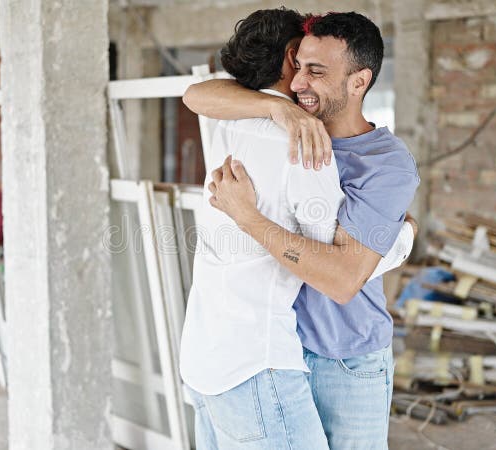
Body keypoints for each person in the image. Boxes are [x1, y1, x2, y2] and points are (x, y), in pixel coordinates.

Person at [178, 8, 416, 450]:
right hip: (285, 347)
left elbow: (344, 277)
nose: (302, 83)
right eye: (300, 67)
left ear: (358, 82)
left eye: (318, 71)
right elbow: (196, 94)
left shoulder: (384, 163)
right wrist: (276, 108)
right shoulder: (282, 127)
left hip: (344, 352)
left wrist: (247, 218)